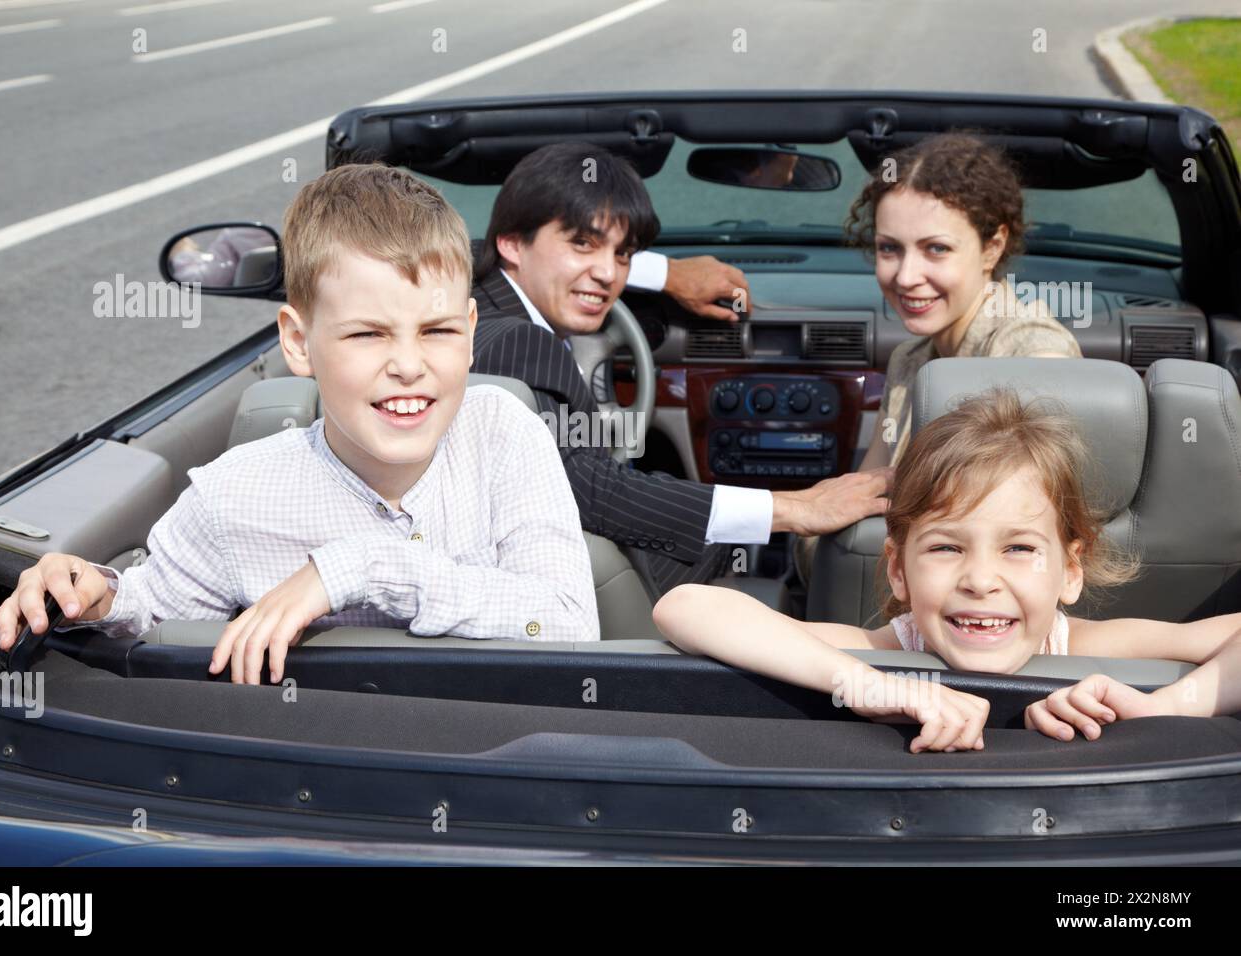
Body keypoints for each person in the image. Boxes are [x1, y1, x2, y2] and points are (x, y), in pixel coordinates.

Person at [0, 163, 599, 684]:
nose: (410, 366)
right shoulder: (233, 494)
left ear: (470, 334)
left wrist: (361, 569)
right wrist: (91, 595)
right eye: (368, 334)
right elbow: (152, 613)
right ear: (298, 343)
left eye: (437, 331)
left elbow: (570, 622)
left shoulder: (504, 433)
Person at [654, 388, 1241, 753]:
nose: (980, 580)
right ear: (899, 572)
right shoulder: (878, 650)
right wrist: (874, 685)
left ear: (1070, 572)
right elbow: (683, 607)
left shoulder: (1098, 647)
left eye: (1017, 549)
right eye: (945, 548)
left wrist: (1169, 705)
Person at [469, 141, 892, 599]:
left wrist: (666, 273)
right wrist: (794, 508)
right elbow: (591, 490)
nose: (608, 275)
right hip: (548, 585)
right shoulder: (518, 339)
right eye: (582, 244)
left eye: (623, 255)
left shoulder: (466, 289)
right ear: (511, 242)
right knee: (743, 575)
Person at [793, 132, 1082, 587]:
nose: (906, 276)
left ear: (992, 247)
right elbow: (866, 488)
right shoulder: (910, 360)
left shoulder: (1030, 347)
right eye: (889, 248)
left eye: (936, 249)